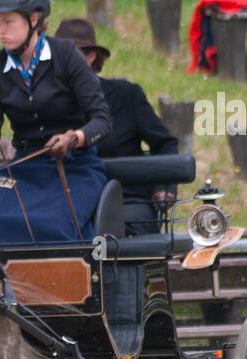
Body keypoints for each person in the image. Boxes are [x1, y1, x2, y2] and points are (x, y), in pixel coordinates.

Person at [0, 0, 110, 245]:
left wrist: (72, 138)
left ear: (34, 20)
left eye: (8, 22)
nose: (1, 31)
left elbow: (102, 120)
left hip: (76, 167)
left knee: (53, 226)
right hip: (24, 167)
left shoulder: (66, 54)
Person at [53, 18, 179, 235]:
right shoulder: (46, 103)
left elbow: (165, 144)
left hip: (126, 199)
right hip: (66, 201)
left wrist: (162, 189)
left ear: (90, 57)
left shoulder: (126, 96)